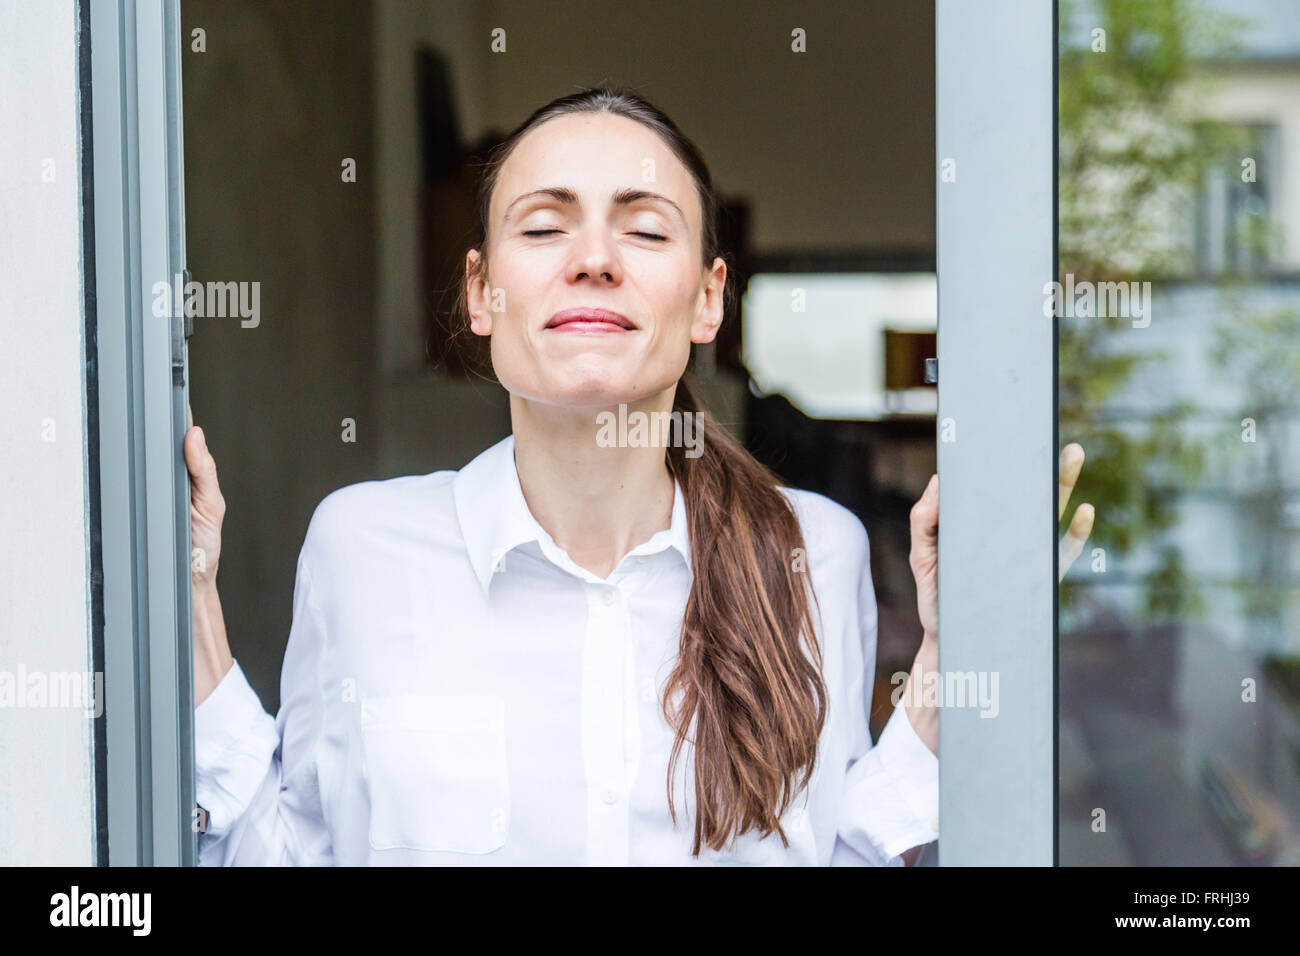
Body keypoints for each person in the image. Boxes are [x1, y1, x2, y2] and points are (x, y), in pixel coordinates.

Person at [186, 86, 1093, 866]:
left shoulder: (810, 552)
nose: (592, 258)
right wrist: (190, 617)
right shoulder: (363, 548)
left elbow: (845, 852)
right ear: (479, 292)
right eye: (543, 226)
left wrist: (956, 665)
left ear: (707, 298)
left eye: (644, 229)